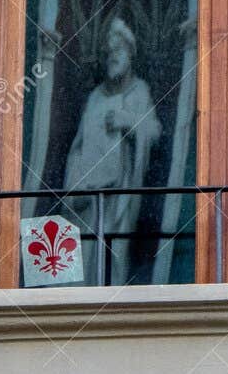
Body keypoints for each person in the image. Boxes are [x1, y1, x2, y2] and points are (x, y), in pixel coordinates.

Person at [63, 16, 162, 281]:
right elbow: (78, 146)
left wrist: (128, 122)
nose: (112, 57)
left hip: (121, 193)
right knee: (85, 252)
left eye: (118, 51)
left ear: (130, 53)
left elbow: (154, 131)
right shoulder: (95, 97)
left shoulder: (139, 91)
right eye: (109, 53)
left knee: (116, 252)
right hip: (90, 193)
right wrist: (73, 185)